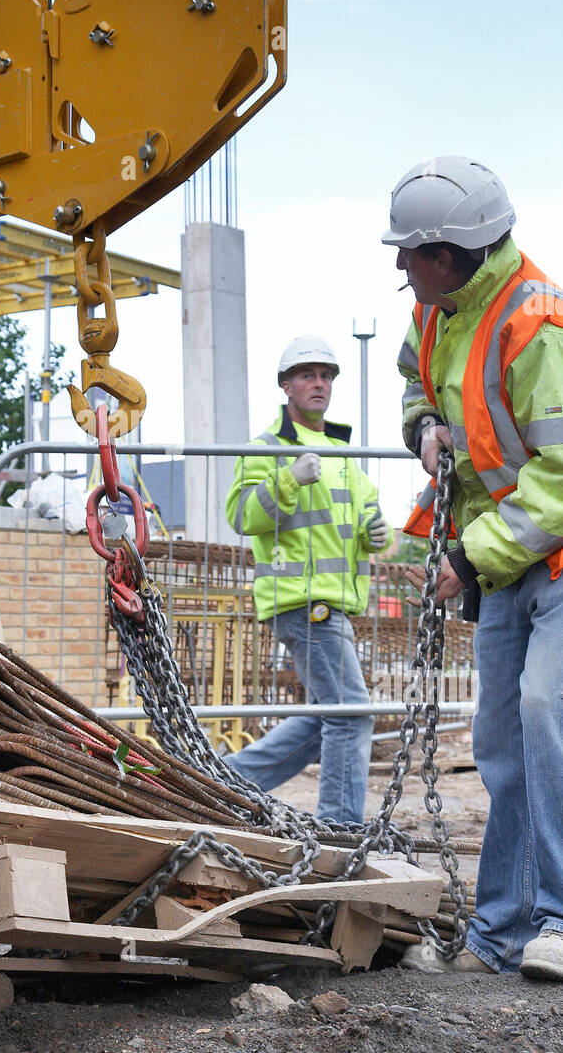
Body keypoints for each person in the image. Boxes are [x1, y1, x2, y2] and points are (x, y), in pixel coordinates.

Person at [385, 155, 563, 982]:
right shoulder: (435, 311)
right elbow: (414, 383)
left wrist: (466, 553)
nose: (398, 265)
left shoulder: (537, 326)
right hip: (503, 559)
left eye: (409, 252)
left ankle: (555, 921)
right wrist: (422, 426)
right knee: (498, 743)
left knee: (543, 713)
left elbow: (561, 479)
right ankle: (500, 936)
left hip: (550, 554)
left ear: (449, 252)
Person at [224, 335, 390, 826]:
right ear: (286, 386)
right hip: (302, 602)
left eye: (326, 376)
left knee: (326, 719)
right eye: (306, 375)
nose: (318, 384)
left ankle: (223, 781)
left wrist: (375, 531)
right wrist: (288, 479)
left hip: (333, 603)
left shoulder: (343, 454)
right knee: (350, 713)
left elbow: (363, 518)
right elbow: (241, 514)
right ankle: (340, 826)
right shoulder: (266, 449)